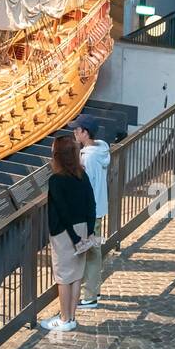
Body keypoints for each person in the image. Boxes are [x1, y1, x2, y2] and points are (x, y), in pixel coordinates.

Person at [41, 135, 96, 333]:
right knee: (76, 274)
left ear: (58, 157)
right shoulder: (82, 175)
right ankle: (71, 317)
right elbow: (91, 204)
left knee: (63, 276)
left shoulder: (55, 180)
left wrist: (74, 238)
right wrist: (89, 233)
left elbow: (62, 211)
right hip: (82, 229)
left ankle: (64, 319)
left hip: (65, 233)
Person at [73, 115, 110, 309]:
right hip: (99, 208)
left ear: (85, 133)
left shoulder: (89, 157)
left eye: (77, 130)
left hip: (90, 212)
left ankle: (89, 296)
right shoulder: (101, 149)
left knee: (90, 253)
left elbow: (87, 188)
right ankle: (94, 290)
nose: (74, 133)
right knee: (94, 251)